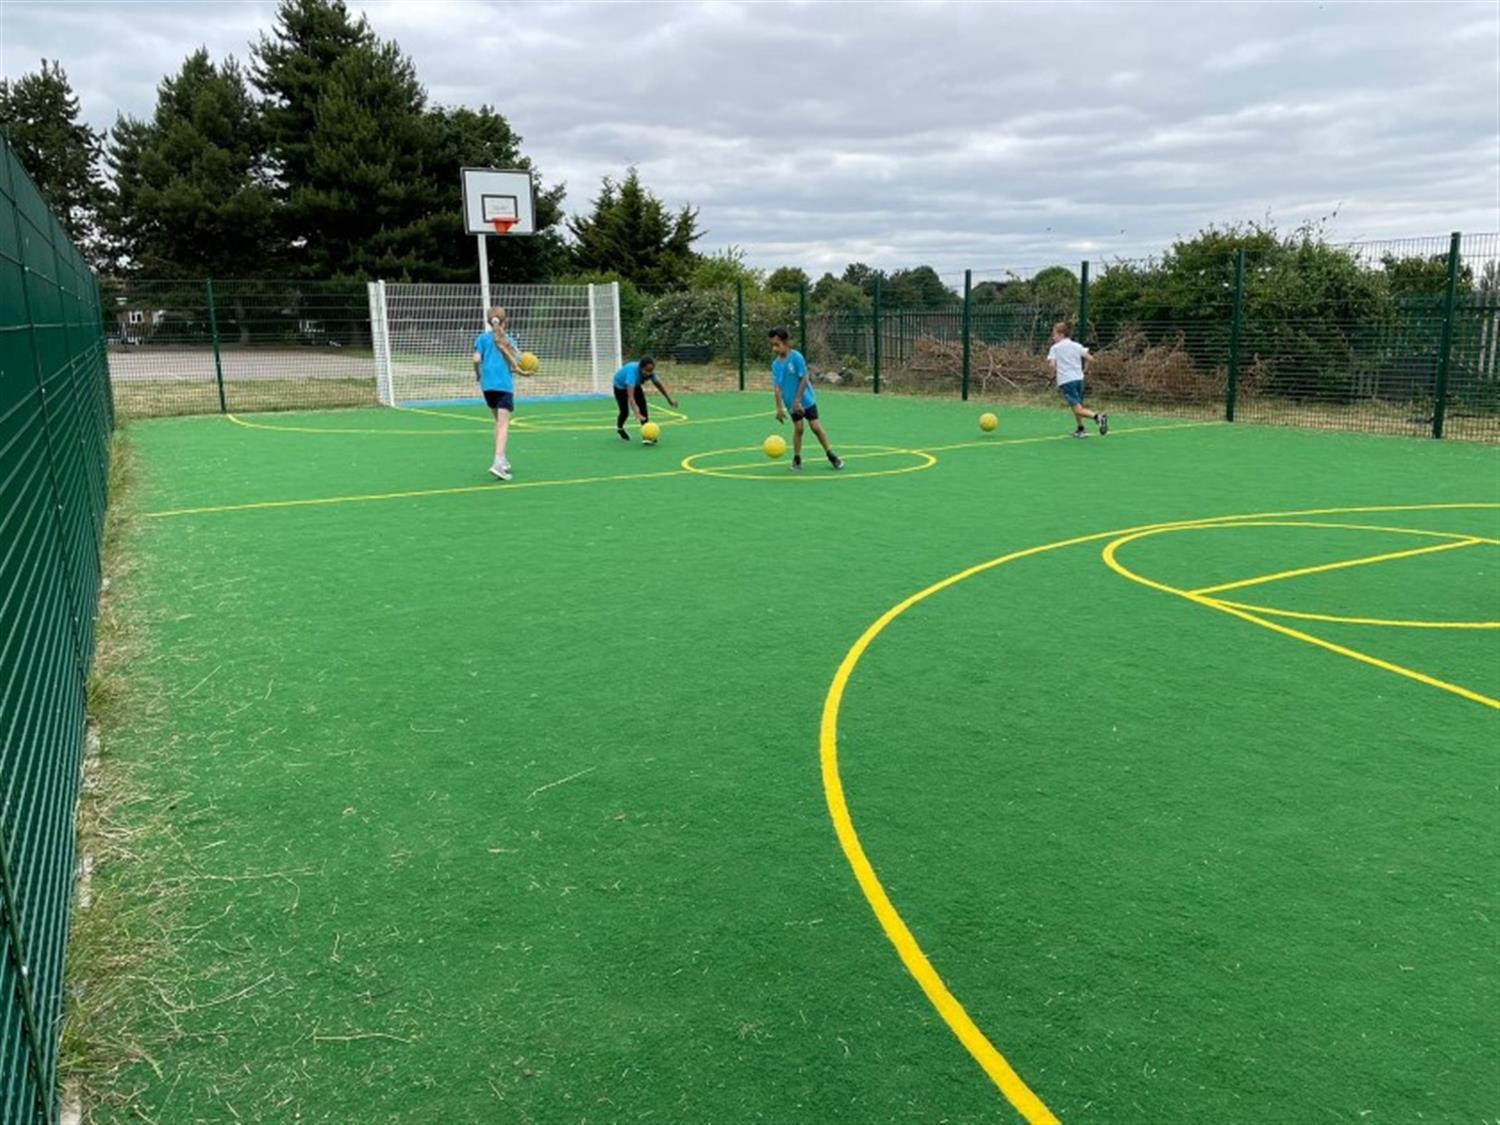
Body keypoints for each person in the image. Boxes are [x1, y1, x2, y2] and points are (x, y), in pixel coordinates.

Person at [769, 328, 843, 471]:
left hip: (806, 399)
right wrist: (779, 408)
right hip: (791, 402)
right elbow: (777, 387)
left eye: (777, 344)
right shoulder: (776, 365)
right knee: (799, 428)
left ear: (786, 343)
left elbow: (804, 378)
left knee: (815, 427)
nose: (774, 348)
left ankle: (830, 454)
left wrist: (799, 401)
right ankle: (797, 459)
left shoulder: (796, 357)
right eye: (772, 345)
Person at [472, 306, 523, 479]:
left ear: (488, 322)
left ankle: (503, 458)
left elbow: (476, 359)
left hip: (488, 387)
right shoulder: (507, 340)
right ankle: (498, 462)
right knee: (503, 425)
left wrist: (478, 374)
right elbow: (517, 361)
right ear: (505, 322)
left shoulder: (482, 339)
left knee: (497, 423)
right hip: (503, 386)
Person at [1046, 322, 1108, 438]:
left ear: (1061, 334)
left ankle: (1098, 417)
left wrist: (1054, 368)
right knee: (1078, 406)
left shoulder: (1055, 348)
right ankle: (1081, 429)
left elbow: (1052, 365)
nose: (1053, 337)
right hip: (1079, 380)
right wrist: (1085, 370)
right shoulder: (1077, 346)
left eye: (1054, 334)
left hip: (1066, 381)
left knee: (1078, 409)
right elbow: (1091, 359)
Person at [612, 356, 678, 441]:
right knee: (624, 412)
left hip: (635, 385)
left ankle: (646, 434)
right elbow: (631, 396)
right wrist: (636, 412)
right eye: (646, 371)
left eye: (651, 371)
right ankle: (620, 428)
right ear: (640, 368)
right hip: (620, 387)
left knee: (643, 406)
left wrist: (669, 399)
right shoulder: (632, 372)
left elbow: (659, 385)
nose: (649, 373)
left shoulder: (650, 374)